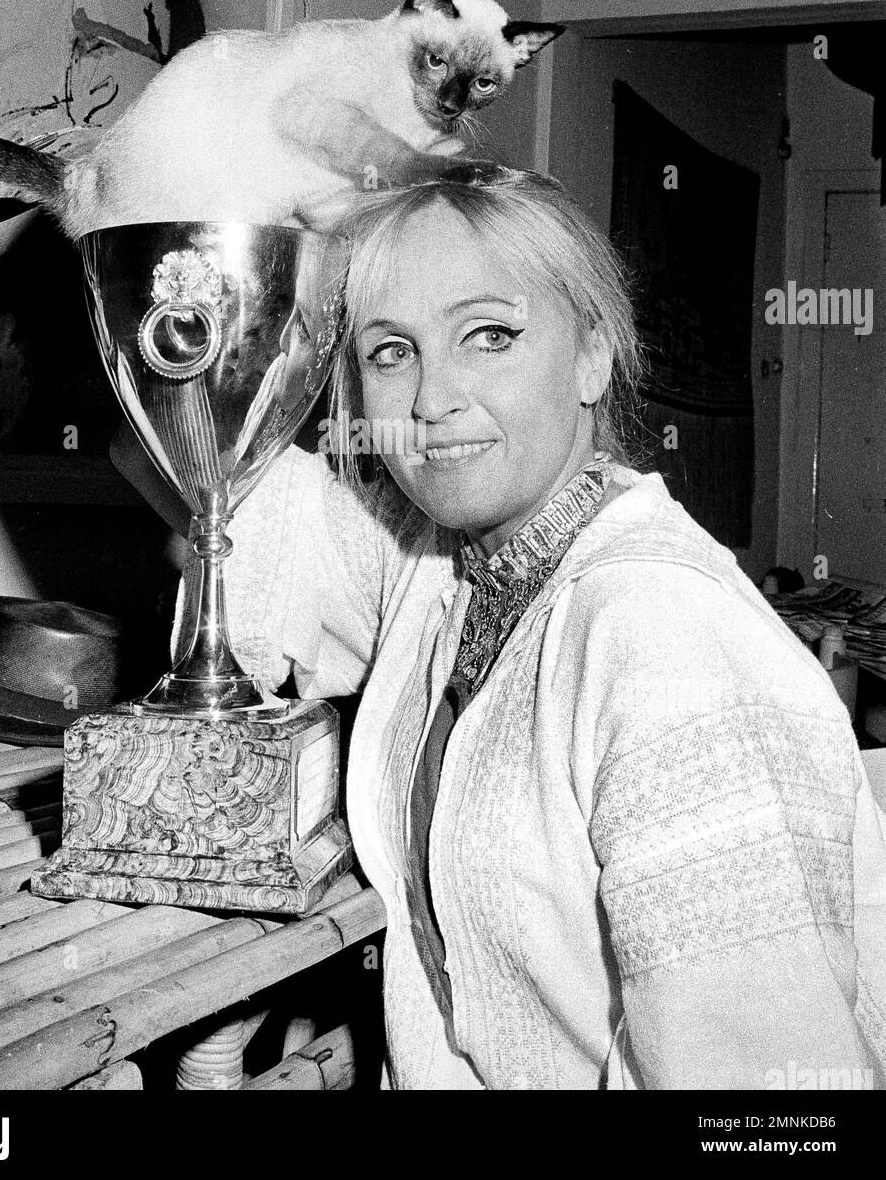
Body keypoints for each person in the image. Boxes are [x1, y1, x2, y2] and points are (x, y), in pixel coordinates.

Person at [185, 167, 886, 1090]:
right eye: (391, 352)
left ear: (592, 355)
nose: (432, 398)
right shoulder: (446, 568)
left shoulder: (663, 637)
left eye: (490, 336)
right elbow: (213, 484)